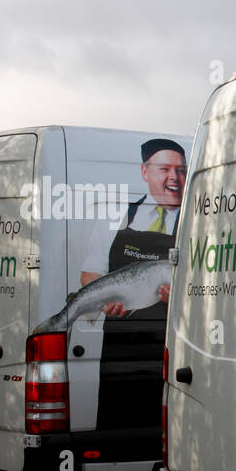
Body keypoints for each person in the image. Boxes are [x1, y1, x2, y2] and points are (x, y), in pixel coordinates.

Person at [80, 138, 186, 430]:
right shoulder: (116, 219)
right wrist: (105, 303)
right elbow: (90, 274)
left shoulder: (196, 224)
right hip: (119, 351)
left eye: (181, 170)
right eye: (165, 169)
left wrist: (179, 296)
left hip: (172, 352)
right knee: (117, 427)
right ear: (145, 171)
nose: (174, 178)